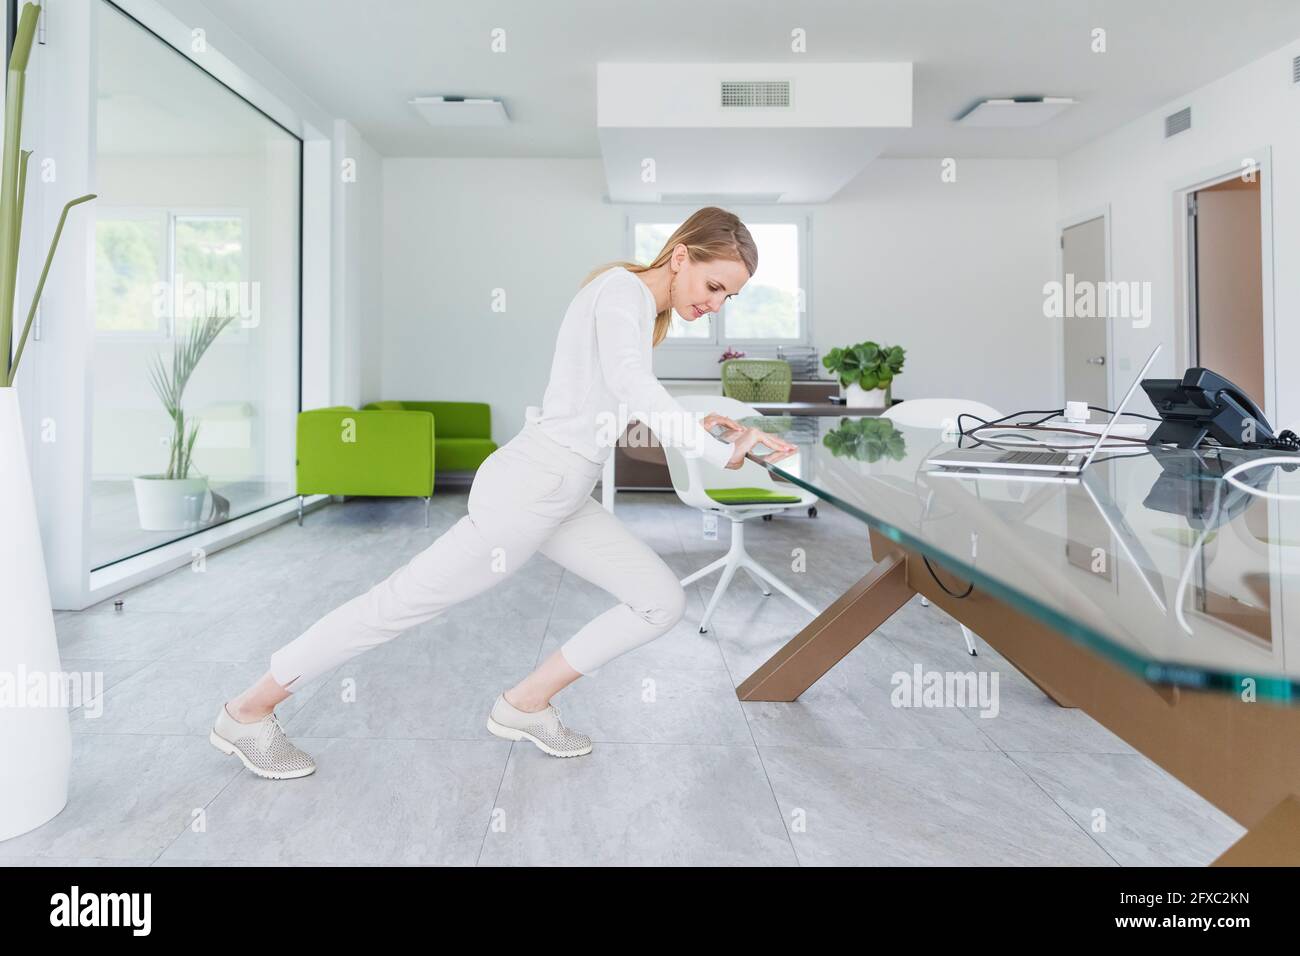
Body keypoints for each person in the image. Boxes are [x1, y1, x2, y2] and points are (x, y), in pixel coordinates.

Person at [209, 206, 798, 778]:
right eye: (714, 285)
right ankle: (247, 711)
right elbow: (631, 385)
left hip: (561, 493)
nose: (716, 304)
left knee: (660, 602)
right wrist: (723, 453)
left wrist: (708, 427)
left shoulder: (638, 307)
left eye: (729, 298)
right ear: (681, 255)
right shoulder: (623, 292)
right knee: (400, 603)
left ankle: (526, 703)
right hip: (529, 489)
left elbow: (616, 402)